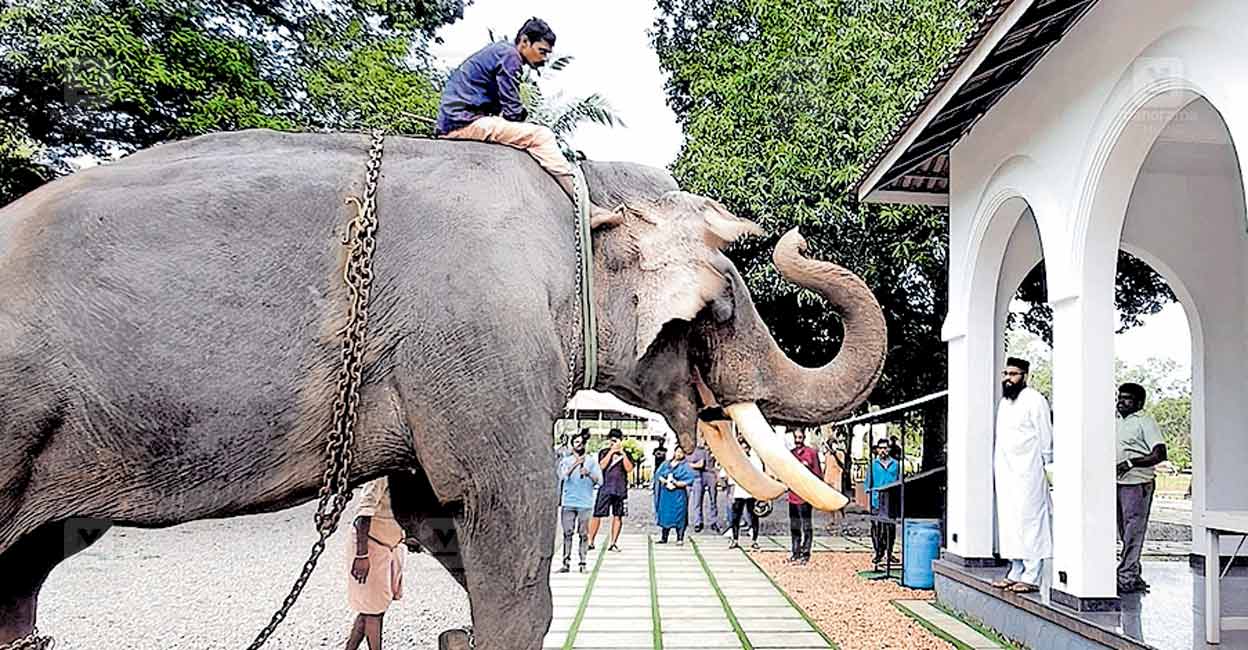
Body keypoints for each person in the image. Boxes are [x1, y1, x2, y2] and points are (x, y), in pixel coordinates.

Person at [435, 17, 614, 225]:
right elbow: (511, 109)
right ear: (525, 42)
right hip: (464, 123)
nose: (544, 58)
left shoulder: (499, 51)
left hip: (461, 119)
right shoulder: (510, 56)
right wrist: (522, 118)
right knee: (541, 136)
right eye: (542, 51)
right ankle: (588, 209)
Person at [991, 357, 1053, 594]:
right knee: (1010, 522)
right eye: (1006, 373)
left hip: (1030, 471)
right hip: (1007, 472)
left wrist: (1047, 466)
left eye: (1013, 374)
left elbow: (1045, 436)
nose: (1008, 378)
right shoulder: (1005, 403)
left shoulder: (1035, 400)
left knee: (1030, 521)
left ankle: (1032, 575)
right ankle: (1015, 571)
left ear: (1025, 375)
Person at [1116, 382, 1167, 594]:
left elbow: (1159, 453)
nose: (1121, 401)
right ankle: (1133, 574)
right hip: (1116, 483)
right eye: (1119, 396)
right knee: (1123, 531)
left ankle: (1126, 576)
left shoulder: (1144, 422)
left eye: (1127, 398)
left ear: (1139, 402)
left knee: (1133, 532)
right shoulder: (1116, 422)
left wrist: (1131, 463)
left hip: (1137, 484)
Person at [344, 477, 406, 650]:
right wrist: (362, 556)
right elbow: (362, 518)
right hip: (368, 546)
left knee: (371, 607)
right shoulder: (380, 477)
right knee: (374, 611)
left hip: (388, 546)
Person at [557, 431, 602, 573]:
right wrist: (575, 465)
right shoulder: (566, 461)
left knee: (583, 533)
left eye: (581, 442)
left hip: (585, 503)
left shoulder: (591, 461)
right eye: (576, 442)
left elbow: (600, 481)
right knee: (567, 532)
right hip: (568, 501)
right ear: (572, 445)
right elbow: (562, 476)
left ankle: (583, 562)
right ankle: (566, 562)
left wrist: (588, 473)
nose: (579, 445)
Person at [588, 428, 634, 552]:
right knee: (597, 514)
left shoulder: (627, 453)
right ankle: (590, 541)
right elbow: (601, 466)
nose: (614, 442)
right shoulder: (603, 452)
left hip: (620, 489)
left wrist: (622, 453)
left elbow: (629, 469)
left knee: (618, 516)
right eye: (612, 440)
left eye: (617, 440)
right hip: (605, 487)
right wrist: (611, 452)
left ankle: (613, 543)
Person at [787, 428, 823, 565]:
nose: (797, 440)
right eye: (796, 437)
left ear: (804, 437)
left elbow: (818, 474)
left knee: (806, 526)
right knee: (794, 526)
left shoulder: (811, 453)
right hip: (792, 495)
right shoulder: (791, 454)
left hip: (805, 496)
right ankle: (795, 552)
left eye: (800, 437)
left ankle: (806, 553)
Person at [864, 438, 901, 569]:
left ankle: (889, 552)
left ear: (889, 449)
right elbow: (868, 483)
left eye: (885, 448)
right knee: (877, 528)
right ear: (877, 450)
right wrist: (868, 496)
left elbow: (899, 481)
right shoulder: (873, 465)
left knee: (890, 528)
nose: (883, 450)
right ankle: (878, 552)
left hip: (891, 501)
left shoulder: (896, 464)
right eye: (881, 448)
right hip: (876, 500)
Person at [654, 445, 696, 544]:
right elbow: (658, 474)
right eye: (677, 451)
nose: (678, 454)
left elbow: (689, 479)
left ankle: (680, 537)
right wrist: (663, 480)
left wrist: (678, 483)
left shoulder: (685, 466)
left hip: (678, 494)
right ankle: (664, 537)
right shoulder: (666, 464)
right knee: (665, 514)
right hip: (666, 494)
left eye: (681, 452)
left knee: (680, 515)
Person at [728, 437, 764, 550]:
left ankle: (754, 540)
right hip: (739, 491)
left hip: (751, 491)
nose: (744, 450)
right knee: (736, 517)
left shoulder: (755, 460)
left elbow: (760, 474)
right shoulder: (736, 459)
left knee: (753, 516)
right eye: (742, 448)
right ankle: (735, 539)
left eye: (746, 448)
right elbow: (731, 475)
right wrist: (731, 491)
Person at [687, 438, 722, 533]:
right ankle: (698, 522)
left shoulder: (716, 449)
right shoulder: (698, 450)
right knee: (697, 500)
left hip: (711, 474)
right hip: (700, 474)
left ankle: (713, 521)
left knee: (713, 500)